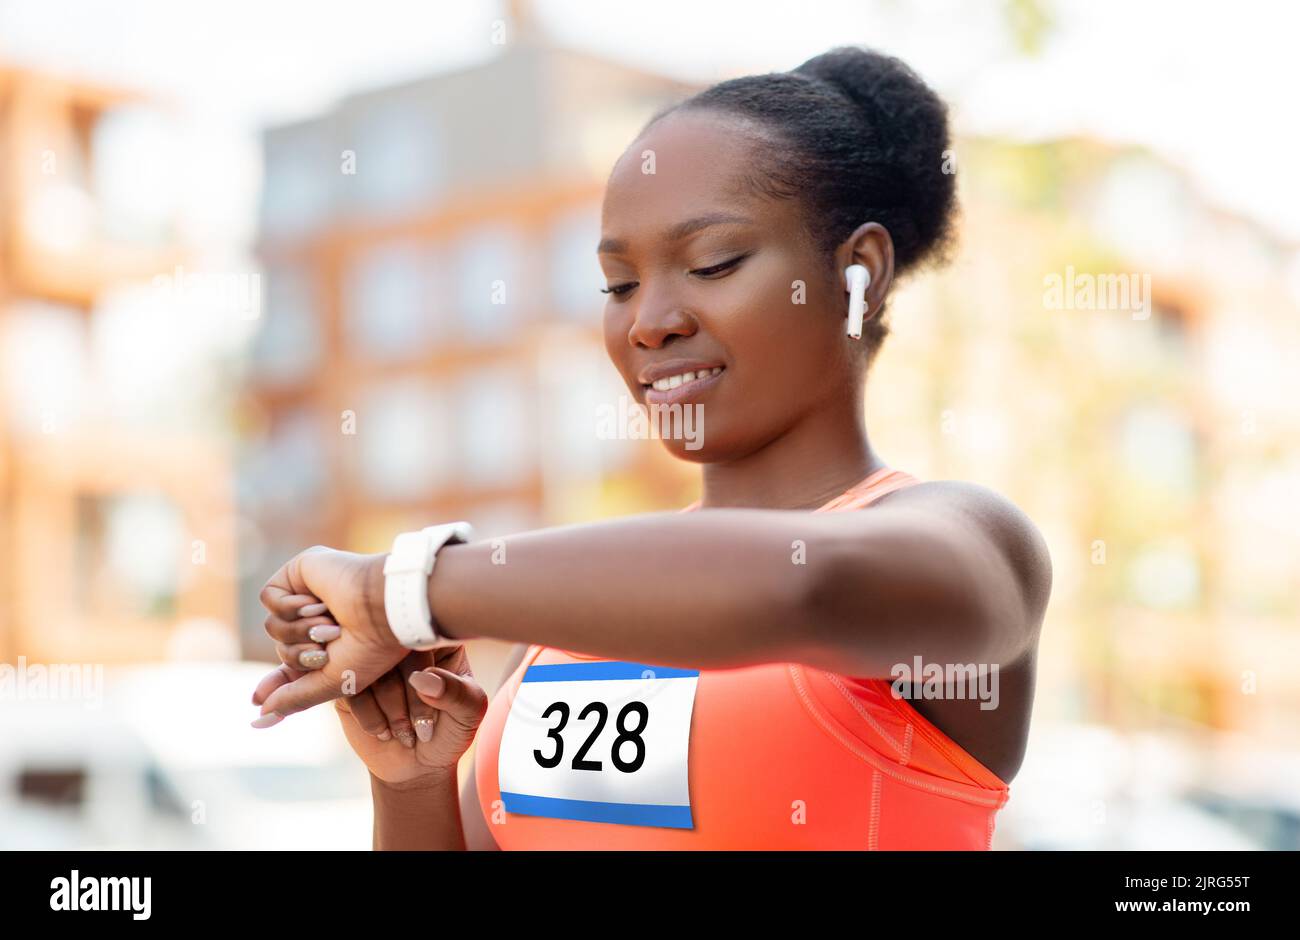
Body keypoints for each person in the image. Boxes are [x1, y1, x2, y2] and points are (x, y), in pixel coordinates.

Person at [251, 45, 1052, 850]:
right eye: (619, 284)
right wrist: (414, 785)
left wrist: (398, 592)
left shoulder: (972, 546)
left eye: (713, 263)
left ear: (859, 274)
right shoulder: (564, 622)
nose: (648, 321)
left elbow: (806, 585)